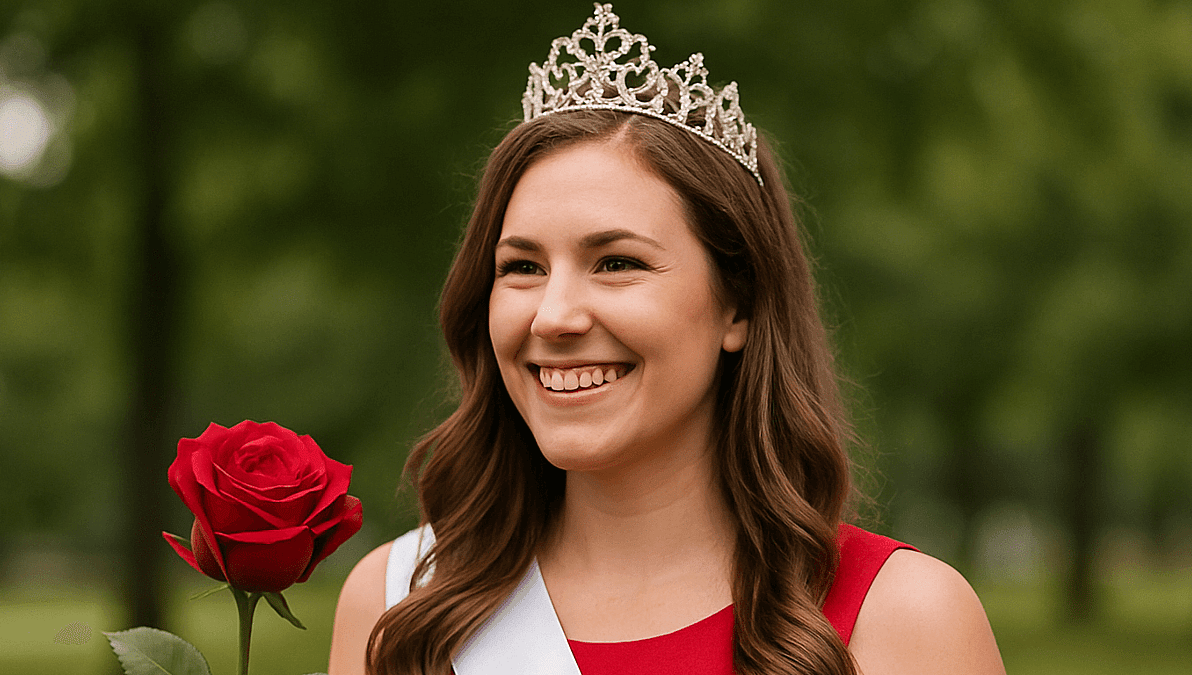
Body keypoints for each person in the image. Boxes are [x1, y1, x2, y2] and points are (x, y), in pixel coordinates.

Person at [329, 5, 1005, 675]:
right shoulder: (402, 605)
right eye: (522, 267)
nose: (553, 316)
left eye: (616, 262)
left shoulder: (902, 619)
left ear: (736, 303)